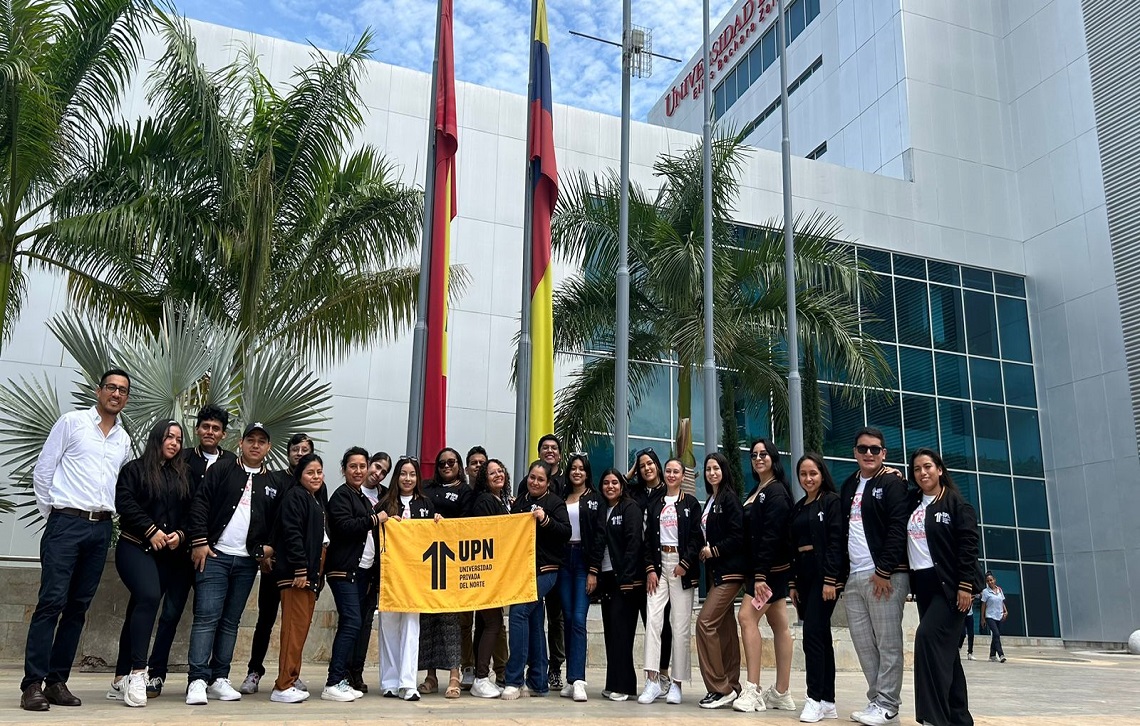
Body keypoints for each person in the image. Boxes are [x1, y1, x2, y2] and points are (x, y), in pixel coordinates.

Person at [22, 369, 133, 712]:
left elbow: (124, 485)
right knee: (51, 602)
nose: (116, 394)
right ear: (99, 391)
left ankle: (57, 681)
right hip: (66, 523)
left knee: (78, 607)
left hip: (100, 530)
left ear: (126, 398)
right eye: (111, 388)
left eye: (123, 391)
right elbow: (43, 472)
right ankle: (32, 685)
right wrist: (55, 517)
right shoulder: (71, 422)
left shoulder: (123, 440)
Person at [185, 422, 281, 706]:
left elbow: (278, 521)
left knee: (231, 621)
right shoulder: (222, 469)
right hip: (215, 555)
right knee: (206, 617)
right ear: (240, 443)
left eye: (261, 441)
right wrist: (200, 541)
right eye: (250, 439)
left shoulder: (272, 483)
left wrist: (269, 547)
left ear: (268, 447)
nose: (255, 445)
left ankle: (219, 678)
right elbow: (200, 504)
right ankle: (197, 680)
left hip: (246, 562)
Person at [144, 405, 235, 698]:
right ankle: (155, 674)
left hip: (216, 553)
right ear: (197, 429)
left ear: (223, 433)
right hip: (181, 551)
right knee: (170, 613)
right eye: (205, 426)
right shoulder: (182, 459)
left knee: (212, 616)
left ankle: (210, 678)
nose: (210, 432)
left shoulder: (232, 463)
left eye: (216, 428)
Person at [107, 420, 192, 708]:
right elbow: (125, 503)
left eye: (179, 440)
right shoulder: (134, 470)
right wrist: (151, 530)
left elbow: (191, 512)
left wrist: (179, 535)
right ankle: (137, 673)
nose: (174, 443)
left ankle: (119, 678)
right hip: (134, 547)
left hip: (168, 554)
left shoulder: (183, 475)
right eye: (169, 437)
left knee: (138, 608)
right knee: (149, 596)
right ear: (157, 438)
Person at [841, 427, 910, 726]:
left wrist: (884, 570)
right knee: (864, 644)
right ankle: (876, 700)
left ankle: (888, 705)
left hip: (884, 575)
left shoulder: (892, 483)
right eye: (862, 448)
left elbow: (899, 527)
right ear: (854, 452)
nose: (868, 453)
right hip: (853, 577)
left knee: (888, 642)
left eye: (875, 449)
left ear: (884, 453)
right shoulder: (848, 485)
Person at [241, 431, 318, 696]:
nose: (299, 453)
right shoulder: (274, 479)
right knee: (266, 617)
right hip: (275, 564)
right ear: (287, 452)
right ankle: (254, 671)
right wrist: (265, 554)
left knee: (296, 622)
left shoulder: (316, 485)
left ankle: (290, 675)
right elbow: (265, 518)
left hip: (301, 567)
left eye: (304, 449)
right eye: (295, 449)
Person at [907, 448, 979, 726]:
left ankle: (933, 718)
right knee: (947, 655)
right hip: (923, 586)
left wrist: (964, 586)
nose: (922, 473)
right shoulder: (912, 502)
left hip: (949, 587)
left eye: (927, 467)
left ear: (939, 469)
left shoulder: (955, 505)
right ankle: (959, 718)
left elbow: (968, 547)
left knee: (926, 639)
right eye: (917, 469)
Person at [734, 438, 796, 713]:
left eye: (764, 454)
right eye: (754, 455)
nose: (758, 458)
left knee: (746, 617)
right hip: (764, 571)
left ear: (773, 457)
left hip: (768, 573)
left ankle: (753, 690)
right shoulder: (759, 489)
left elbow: (772, 536)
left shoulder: (777, 492)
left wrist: (760, 576)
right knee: (780, 623)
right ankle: (781, 693)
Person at [501, 460, 571, 699]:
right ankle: (539, 682)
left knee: (519, 612)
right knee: (534, 618)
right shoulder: (520, 502)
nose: (535, 482)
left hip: (546, 571)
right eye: (532, 477)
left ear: (548, 483)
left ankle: (514, 679)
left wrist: (545, 519)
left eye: (540, 479)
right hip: (522, 571)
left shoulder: (555, 503)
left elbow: (566, 532)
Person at [324, 447, 386, 701]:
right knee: (351, 622)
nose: (358, 471)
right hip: (343, 571)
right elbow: (345, 527)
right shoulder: (341, 496)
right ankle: (333, 681)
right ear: (344, 469)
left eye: (362, 466)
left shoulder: (360, 496)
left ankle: (344, 677)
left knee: (355, 623)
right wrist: (375, 519)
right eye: (353, 467)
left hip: (362, 573)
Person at [640, 457, 702, 705]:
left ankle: (676, 683)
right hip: (658, 566)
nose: (671, 475)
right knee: (653, 621)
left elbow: (697, 536)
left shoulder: (691, 504)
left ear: (683, 475)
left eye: (676, 471)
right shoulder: (655, 503)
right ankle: (652, 681)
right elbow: (646, 540)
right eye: (668, 471)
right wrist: (650, 570)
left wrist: (685, 563)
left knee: (680, 625)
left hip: (680, 568)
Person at [789, 453, 846, 723]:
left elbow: (836, 541)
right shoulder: (799, 506)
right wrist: (792, 583)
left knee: (812, 633)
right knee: (821, 636)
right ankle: (827, 701)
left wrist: (831, 579)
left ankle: (813, 698)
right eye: (803, 474)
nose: (808, 478)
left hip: (825, 575)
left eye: (813, 473)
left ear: (822, 474)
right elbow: (791, 547)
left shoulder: (831, 501)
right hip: (804, 575)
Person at [378, 456, 440, 701]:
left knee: (412, 628)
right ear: (397, 477)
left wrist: (438, 523)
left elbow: (434, 538)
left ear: (418, 478)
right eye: (403, 474)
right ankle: (390, 682)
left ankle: (408, 683)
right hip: (390, 576)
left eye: (412, 474)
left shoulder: (426, 504)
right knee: (389, 626)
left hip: (416, 577)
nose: (407, 478)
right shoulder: (384, 504)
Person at [269, 452, 327, 703]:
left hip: (310, 576)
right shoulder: (295, 496)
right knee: (293, 630)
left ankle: (291, 680)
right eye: (310, 473)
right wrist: (301, 570)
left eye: (319, 472)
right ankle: (282, 686)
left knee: (300, 631)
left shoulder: (313, 498)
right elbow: (292, 534)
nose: (315, 477)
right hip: (297, 576)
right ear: (299, 475)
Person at [695, 452, 747, 710]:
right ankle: (733, 686)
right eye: (708, 469)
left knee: (704, 624)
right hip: (717, 575)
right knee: (725, 631)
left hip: (730, 573)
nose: (712, 473)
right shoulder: (711, 500)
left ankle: (719, 688)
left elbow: (738, 536)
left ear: (724, 471)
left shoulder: (729, 499)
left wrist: (712, 550)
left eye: (716, 468)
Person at [419, 447, 471, 698]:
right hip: (427, 562)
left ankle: (454, 675)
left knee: (451, 620)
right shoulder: (427, 487)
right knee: (428, 619)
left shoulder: (466, 491)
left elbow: (470, 523)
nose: (447, 466)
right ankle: (430, 676)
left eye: (452, 462)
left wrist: (447, 524)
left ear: (459, 465)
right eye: (442, 463)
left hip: (453, 564)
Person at [590, 469, 644, 701]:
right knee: (612, 632)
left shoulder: (630, 508)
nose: (610, 486)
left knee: (622, 634)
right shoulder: (603, 509)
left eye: (615, 482)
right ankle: (613, 683)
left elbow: (634, 543)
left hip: (625, 580)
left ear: (622, 486)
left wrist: (628, 579)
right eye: (606, 483)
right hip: (607, 579)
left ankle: (623, 686)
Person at [626, 447, 672, 692]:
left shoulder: (668, 492)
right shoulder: (635, 492)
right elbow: (615, 485)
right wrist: (632, 471)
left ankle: (663, 673)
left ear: (657, 464)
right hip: (637, 566)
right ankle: (652, 675)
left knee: (662, 623)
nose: (646, 468)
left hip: (661, 566)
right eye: (642, 465)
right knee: (649, 621)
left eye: (650, 463)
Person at [558, 452, 602, 702]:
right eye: (573, 468)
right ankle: (570, 679)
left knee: (578, 618)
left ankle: (579, 680)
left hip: (584, 561)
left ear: (587, 473)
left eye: (581, 468)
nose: (577, 472)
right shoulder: (562, 497)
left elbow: (599, 536)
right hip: (564, 560)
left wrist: (594, 570)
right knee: (566, 617)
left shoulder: (594, 499)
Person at [467, 458, 512, 698]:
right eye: (492, 472)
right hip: (487, 573)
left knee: (487, 624)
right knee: (493, 623)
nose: (498, 475)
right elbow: (487, 534)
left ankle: (481, 675)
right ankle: (481, 677)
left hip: (496, 573)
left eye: (500, 471)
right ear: (484, 478)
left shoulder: (501, 501)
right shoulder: (485, 501)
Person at [528, 434, 568, 691]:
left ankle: (555, 668)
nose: (550, 451)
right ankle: (536, 670)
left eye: (554, 448)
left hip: (558, 562)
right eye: (545, 447)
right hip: (530, 563)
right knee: (534, 615)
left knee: (557, 616)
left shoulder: (566, 482)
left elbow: (564, 528)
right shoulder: (527, 483)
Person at [349, 449, 391, 690]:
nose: (377, 473)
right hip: (352, 566)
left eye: (383, 471)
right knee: (351, 622)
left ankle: (357, 672)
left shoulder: (385, 496)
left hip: (375, 570)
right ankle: (342, 671)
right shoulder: (350, 492)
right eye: (376, 467)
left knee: (365, 623)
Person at [459, 445, 489, 689]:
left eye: (482, 462)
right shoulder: (462, 493)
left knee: (490, 620)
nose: (478, 466)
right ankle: (467, 667)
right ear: (467, 468)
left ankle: (490, 670)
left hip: (490, 566)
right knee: (465, 621)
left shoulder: (498, 496)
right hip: (464, 563)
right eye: (474, 463)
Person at [980, 572, 1008, 663]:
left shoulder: (999, 590)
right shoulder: (985, 592)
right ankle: (1001, 654)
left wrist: (1005, 611)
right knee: (996, 634)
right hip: (990, 616)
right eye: (988, 581)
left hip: (999, 615)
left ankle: (992, 655)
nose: (990, 582)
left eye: (991, 580)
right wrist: (983, 618)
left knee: (996, 636)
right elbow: (983, 605)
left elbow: (1001, 601)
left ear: (994, 580)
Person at [960, 595, 978, 661]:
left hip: (970, 614)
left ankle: (970, 653)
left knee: (971, 634)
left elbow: (980, 595)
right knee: (962, 634)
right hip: (961, 613)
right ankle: (958, 648)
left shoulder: (972, 592)